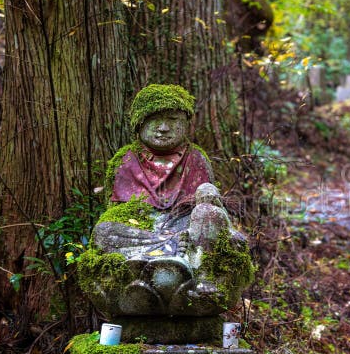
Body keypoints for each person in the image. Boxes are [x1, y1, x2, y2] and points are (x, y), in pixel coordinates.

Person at [89, 84, 243, 317]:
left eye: (172, 120)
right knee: (104, 231)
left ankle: (196, 275)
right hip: (143, 232)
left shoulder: (196, 158)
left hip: (183, 228)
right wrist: (157, 235)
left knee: (207, 217)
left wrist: (214, 210)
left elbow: (209, 208)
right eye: (155, 121)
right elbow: (116, 213)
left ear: (185, 124)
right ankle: (167, 257)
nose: (163, 128)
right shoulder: (125, 160)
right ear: (139, 123)